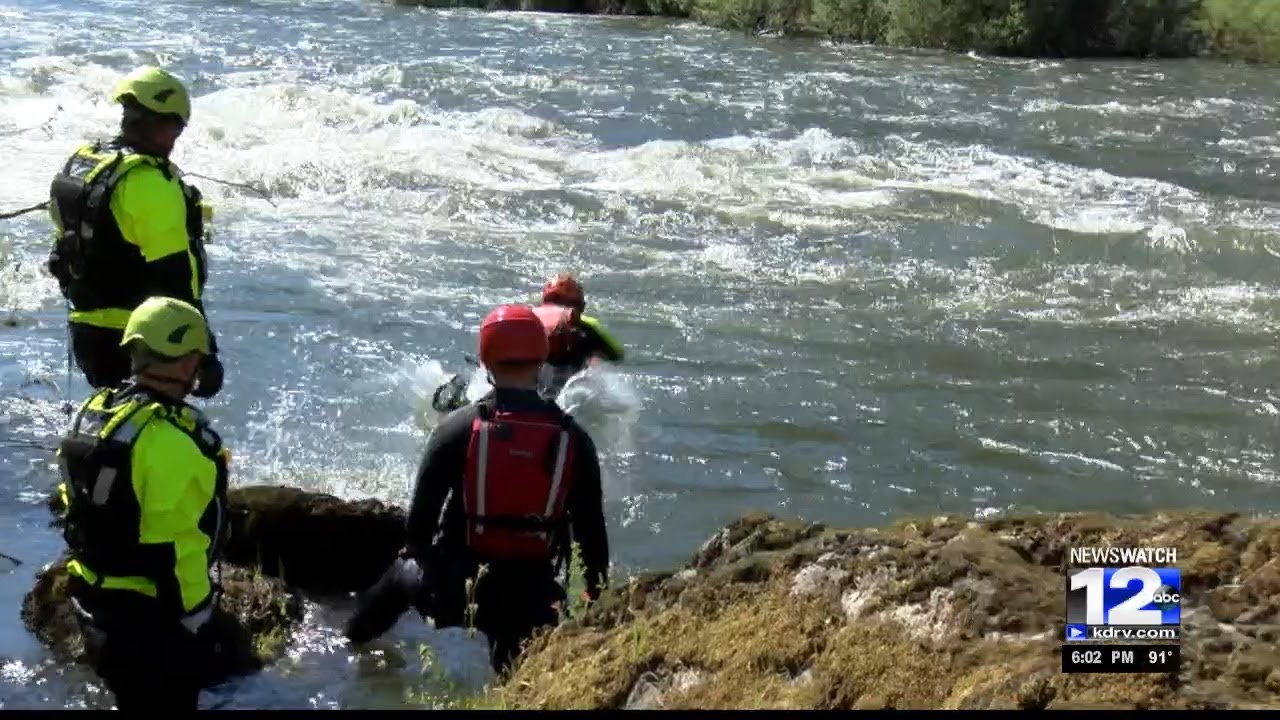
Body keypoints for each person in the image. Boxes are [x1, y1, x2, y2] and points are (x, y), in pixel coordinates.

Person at [348, 304, 610, 675]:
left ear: (486, 361)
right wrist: (593, 609)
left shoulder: (456, 428)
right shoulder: (575, 440)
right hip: (534, 599)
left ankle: (351, 645)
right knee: (514, 672)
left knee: (404, 569)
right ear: (542, 360)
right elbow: (593, 545)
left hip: (458, 591)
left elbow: (418, 531)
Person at [54, 296, 230, 709]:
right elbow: (180, 548)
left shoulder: (92, 412)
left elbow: (71, 500)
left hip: (91, 598)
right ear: (188, 363)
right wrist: (199, 620)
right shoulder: (175, 445)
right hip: (152, 622)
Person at [46, 65, 224, 398]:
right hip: (139, 339)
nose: (175, 138)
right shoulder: (149, 184)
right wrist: (207, 353)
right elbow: (177, 279)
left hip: (86, 331)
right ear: (166, 122)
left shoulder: (88, 163)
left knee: (115, 422)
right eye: (177, 128)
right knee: (151, 430)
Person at [533, 273, 624, 399]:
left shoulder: (528, 317)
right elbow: (616, 354)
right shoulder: (586, 324)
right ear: (580, 305)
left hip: (528, 382)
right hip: (565, 388)